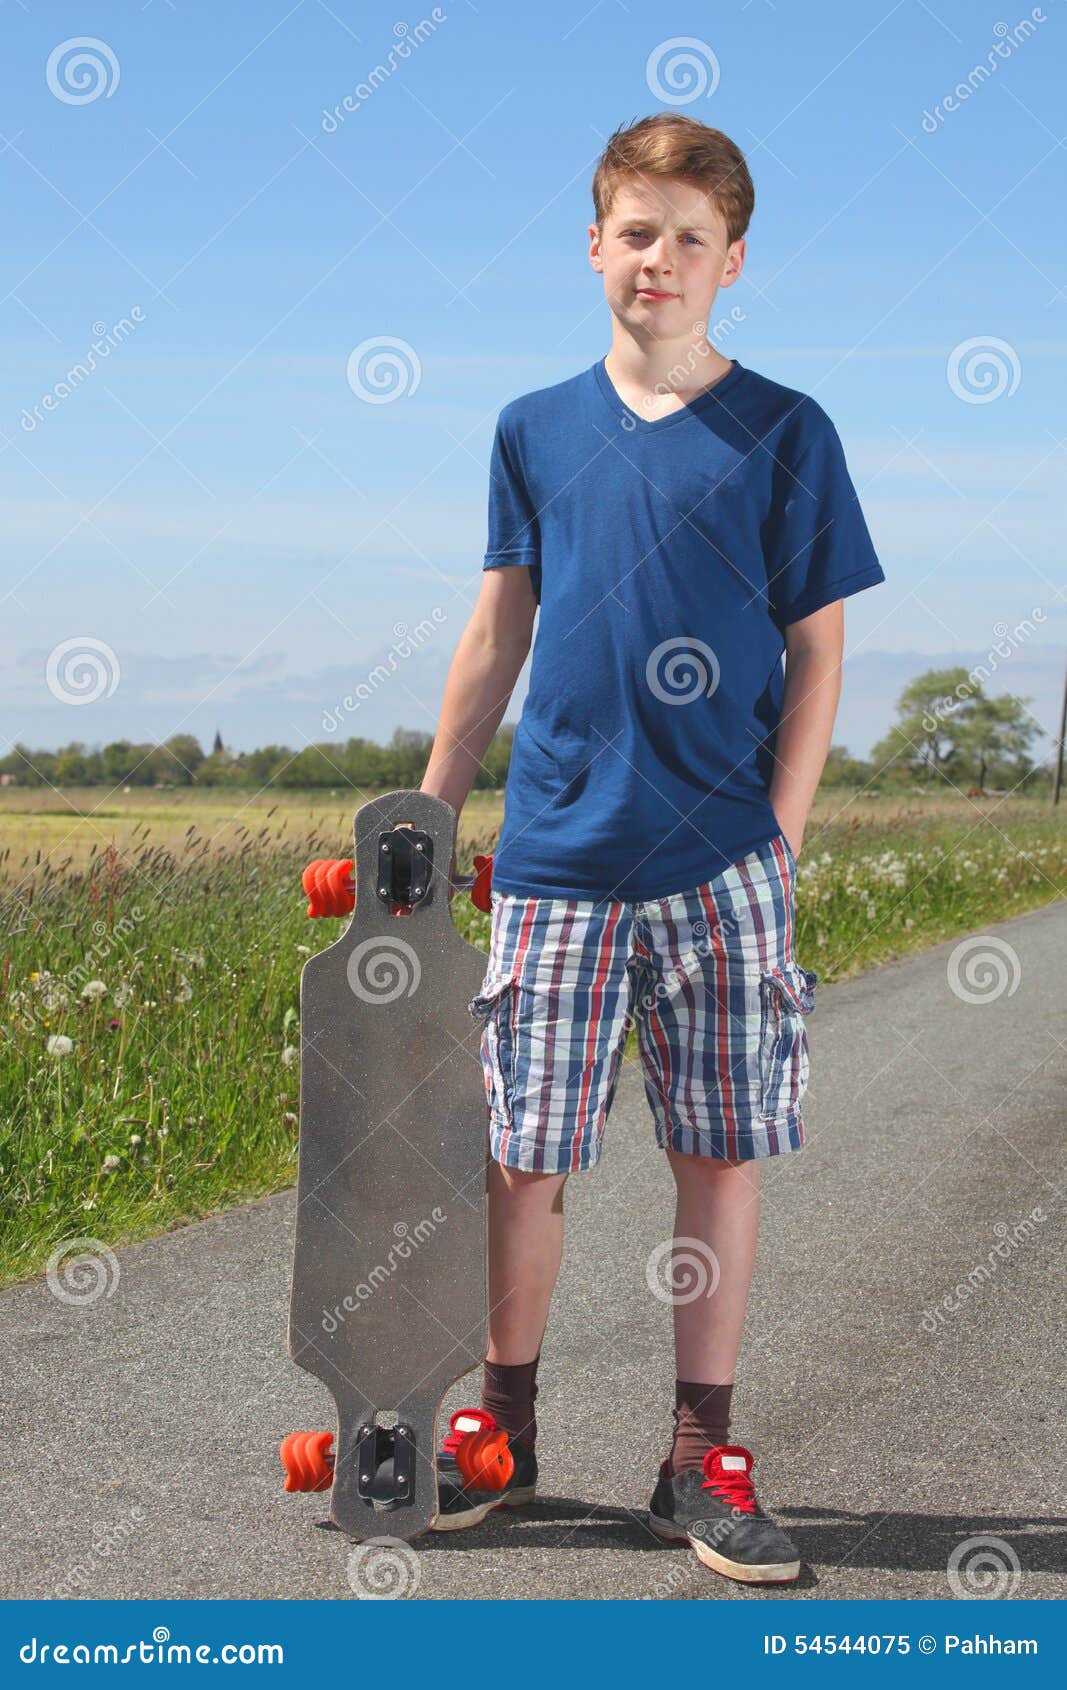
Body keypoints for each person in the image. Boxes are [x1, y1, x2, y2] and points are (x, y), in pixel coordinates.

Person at [420, 112, 885, 1583]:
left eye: (692, 237)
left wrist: (781, 839)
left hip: (724, 865)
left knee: (717, 1161)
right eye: (637, 232)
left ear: (731, 260)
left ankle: (700, 1459)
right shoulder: (533, 429)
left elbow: (819, 655)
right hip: (556, 858)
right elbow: (497, 632)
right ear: (594, 245)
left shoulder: (788, 431)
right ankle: (501, 1431)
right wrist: (430, 811)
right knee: (522, 1157)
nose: (660, 260)